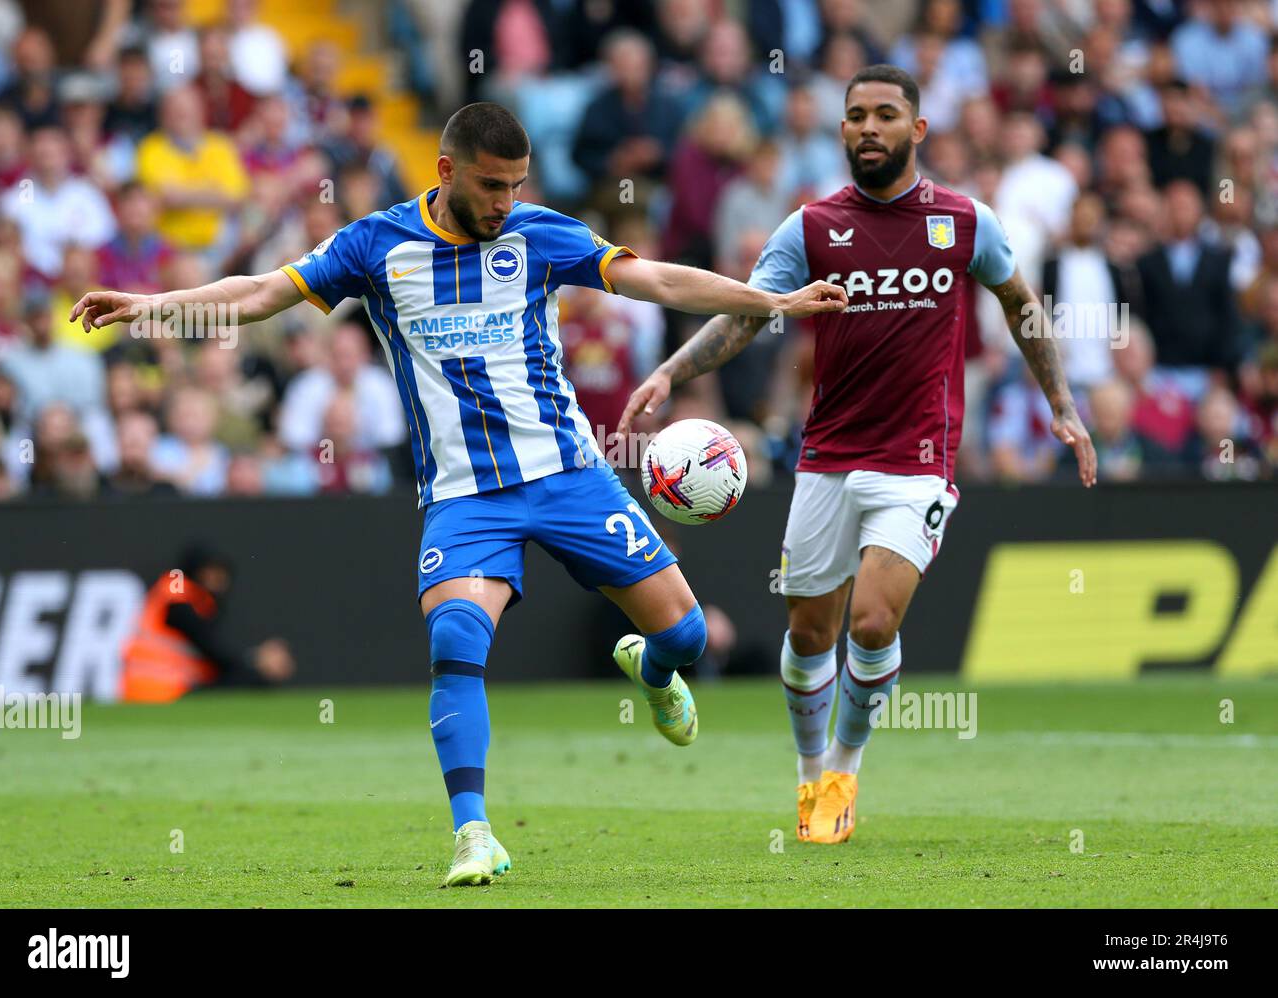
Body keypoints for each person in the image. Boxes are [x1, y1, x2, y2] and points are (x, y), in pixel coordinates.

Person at [69, 101, 846, 886]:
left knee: (685, 639)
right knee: (455, 644)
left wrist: (770, 302)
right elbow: (265, 293)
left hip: (570, 474)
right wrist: (153, 306)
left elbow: (654, 277)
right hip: (467, 496)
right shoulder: (375, 244)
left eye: (516, 185)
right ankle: (474, 834)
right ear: (446, 172)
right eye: (491, 185)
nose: (506, 201)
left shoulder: (539, 234)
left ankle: (650, 671)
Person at [618, 64, 1096, 847]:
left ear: (918, 129)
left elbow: (1021, 306)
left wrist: (1065, 406)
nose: (867, 127)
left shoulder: (966, 222)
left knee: (872, 622)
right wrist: (673, 371)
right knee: (811, 633)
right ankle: (809, 776)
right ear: (841, 131)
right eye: (854, 116)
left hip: (917, 459)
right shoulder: (810, 227)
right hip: (828, 456)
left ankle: (844, 768)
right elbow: (748, 315)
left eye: (884, 114)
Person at [119, 545, 295, 702]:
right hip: (161, 691)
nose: (216, 578)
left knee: (244, 676)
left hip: (165, 687)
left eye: (220, 572)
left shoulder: (192, 599)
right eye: (210, 571)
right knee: (250, 677)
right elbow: (210, 648)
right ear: (195, 570)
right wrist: (257, 660)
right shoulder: (177, 598)